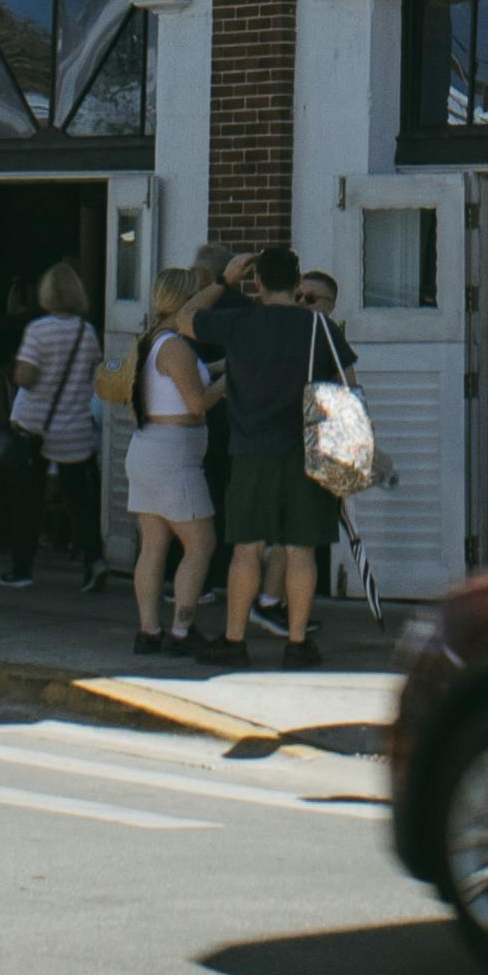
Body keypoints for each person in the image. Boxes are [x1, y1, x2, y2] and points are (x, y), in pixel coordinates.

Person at [207, 244, 356, 664]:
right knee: (301, 549)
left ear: (257, 281)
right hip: (306, 450)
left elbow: (182, 319)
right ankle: (296, 643)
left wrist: (223, 281)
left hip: (252, 450)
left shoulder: (238, 322)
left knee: (246, 550)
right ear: (296, 283)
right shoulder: (321, 329)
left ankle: (235, 641)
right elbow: (349, 387)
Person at [121, 263, 218, 650]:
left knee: (153, 545)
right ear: (185, 301)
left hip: (148, 448)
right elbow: (197, 402)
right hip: (175, 454)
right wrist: (229, 382)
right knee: (201, 544)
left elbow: (180, 383)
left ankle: (148, 631)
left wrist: (216, 370)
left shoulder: (152, 339)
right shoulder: (176, 346)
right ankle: (181, 630)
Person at [9, 255, 108, 587]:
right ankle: (93, 560)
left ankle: (21, 569)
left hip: (35, 426)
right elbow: (94, 373)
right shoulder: (87, 332)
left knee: (27, 500)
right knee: (80, 500)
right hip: (75, 427)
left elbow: (25, 376)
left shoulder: (38, 330)